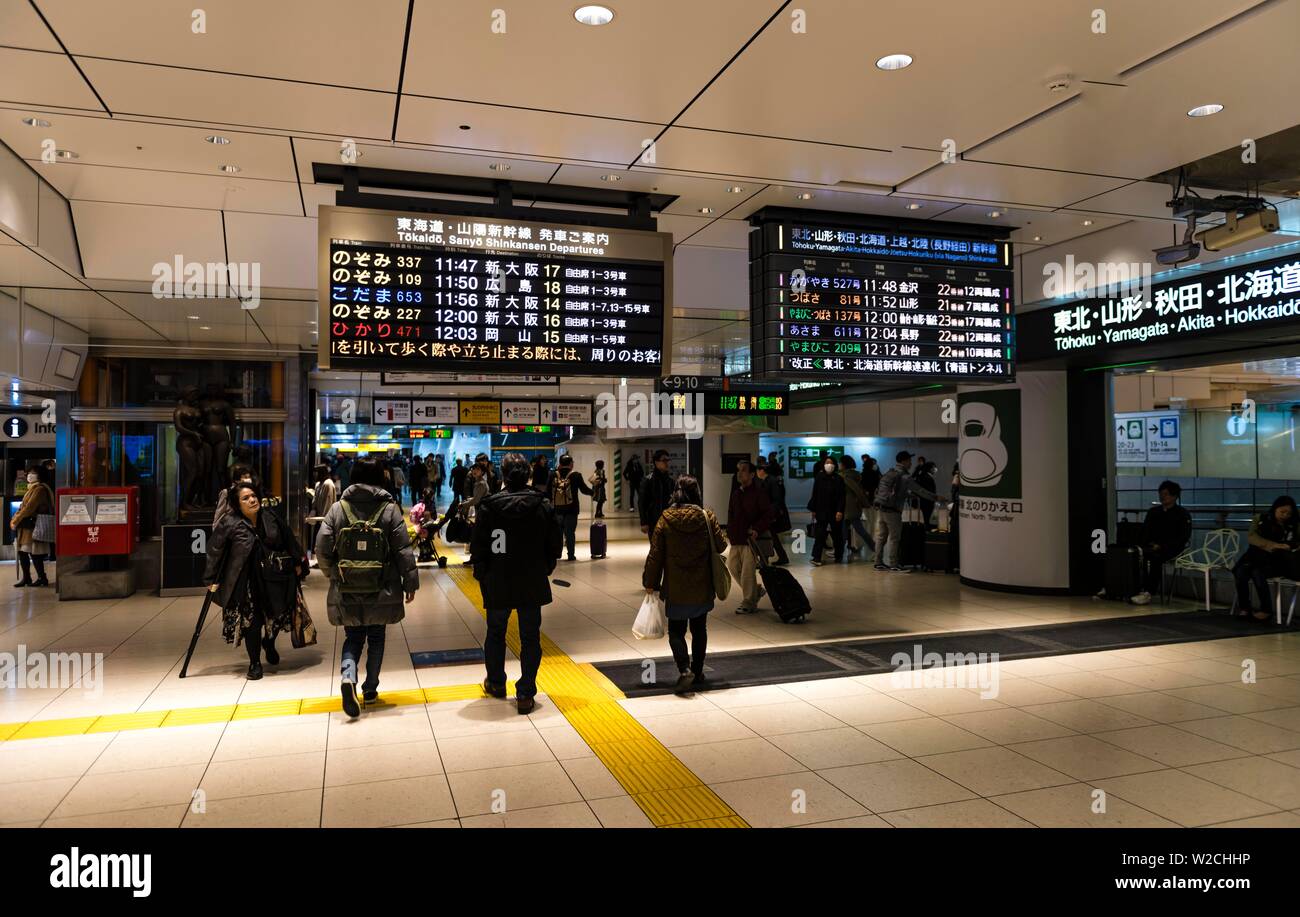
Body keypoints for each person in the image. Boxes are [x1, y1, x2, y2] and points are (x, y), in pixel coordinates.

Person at [314, 457, 418, 716]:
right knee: (377, 637)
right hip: (381, 585)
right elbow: (403, 550)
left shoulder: (338, 509)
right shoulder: (390, 509)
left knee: (353, 638)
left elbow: (322, 548)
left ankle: (348, 678)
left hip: (347, 586)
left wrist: (333, 575)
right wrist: (410, 582)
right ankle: (370, 688)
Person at [473, 453, 563, 714]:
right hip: (531, 579)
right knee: (530, 637)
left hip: (498, 579)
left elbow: (479, 547)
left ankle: (497, 683)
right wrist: (545, 567)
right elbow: (554, 545)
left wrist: (484, 573)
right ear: (529, 476)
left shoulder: (490, 506)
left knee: (496, 632)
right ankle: (525, 693)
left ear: (503, 476)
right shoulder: (542, 504)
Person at [204, 481, 306, 680]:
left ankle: (269, 642)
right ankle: (255, 663)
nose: (252, 500)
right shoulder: (229, 523)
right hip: (246, 581)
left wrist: (298, 562)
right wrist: (210, 577)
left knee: (277, 615)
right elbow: (214, 550)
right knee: (252, 622)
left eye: (253, 496)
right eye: (245, 498)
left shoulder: (270, 517)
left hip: (274, 578)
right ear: (237, 504)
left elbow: (289, 540)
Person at [643, 475, 728, 693]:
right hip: (702, 586)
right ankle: (698, 671)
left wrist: (650, 582)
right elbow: (720, 546)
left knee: (676, 632)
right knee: (699, 629)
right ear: (696, 493)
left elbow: (655, 555)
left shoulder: (666, 518)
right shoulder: (706, 516)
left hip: (676, 586)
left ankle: (684, 669)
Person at [872, 451, 948, 572]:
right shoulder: (905, 476)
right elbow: (920, 490)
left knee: (881, 537)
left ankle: (878, 562)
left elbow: (897, 492)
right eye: (909, 461)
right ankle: (894, 564)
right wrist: (935, 497)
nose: (911, 463)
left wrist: (908, 496)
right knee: (894, 538)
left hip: (882, 508)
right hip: (893, 511)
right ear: (904, 461)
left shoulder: (889, 472)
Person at [1233, 495, 1299, 622]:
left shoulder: (1293, 524)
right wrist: (1272, 544)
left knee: (1257, 573)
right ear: (1275, 509)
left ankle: (1266, 610)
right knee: (1241, 572)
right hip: (1256, 556)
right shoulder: (1262, 519)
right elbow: (1252, 537)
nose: (1285, 515)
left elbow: (1296, 542)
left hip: (1276, 560)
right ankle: (1245, 608)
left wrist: (1288, 546)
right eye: (1282, 512)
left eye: (1288, 513)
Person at [1131, 481, 1193, 605]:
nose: (1162, 497)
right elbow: (1145, 531)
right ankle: (1131, 588)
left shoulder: (1182, 514)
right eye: (1161, 494)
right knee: (1134, 554)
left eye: (1165, 494)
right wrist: (1144, 544)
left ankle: (1148, 592)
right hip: (1153, 545)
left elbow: (1183, 537)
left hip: (1172, 547)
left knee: (1156, 558)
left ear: (1174, 496)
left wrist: (1163, 545)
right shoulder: (1153, 512)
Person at [727, 461, 775, 614]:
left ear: (752, 474)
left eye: (743, 470)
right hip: (736, 538)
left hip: (750, 539)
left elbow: (768, 514)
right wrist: (729, 532)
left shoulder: (759, 493)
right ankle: (756, 590)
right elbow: (731, 514)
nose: (739, 473)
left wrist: (757, 529)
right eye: (738, 470)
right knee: (733, 567)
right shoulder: (736, 493)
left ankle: (748, 602)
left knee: (748, 571)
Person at [10, 464, 53, 587]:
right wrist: (15, 519)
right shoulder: (32, 488)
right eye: (29, 473)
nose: (29, 475)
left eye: (33, 473)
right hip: (27, 526)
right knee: (24, 552)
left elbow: (29, 508)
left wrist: (15, 520)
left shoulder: (39, 489)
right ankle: (28, 578)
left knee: (34, 553)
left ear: (40, 475)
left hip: (33, 525)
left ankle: (41, 578)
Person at [549, 453, 594, 561]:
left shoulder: (553, 475)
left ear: (560, 463)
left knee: (558, 533)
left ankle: (557, 554)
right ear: (570, 464)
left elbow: (547, 492)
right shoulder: (576, 475)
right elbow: (584, 490)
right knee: (570, 533)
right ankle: (571, 555)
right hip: (572, 509)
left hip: (557, 509)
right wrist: (593, 492)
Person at [808, 455, 846, 566]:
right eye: (826, 463)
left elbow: (841, 497)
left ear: (835, 465)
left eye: (831, 463)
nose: (829, 465)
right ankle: (816, 557)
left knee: (837, 535)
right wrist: (813, 509)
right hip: (821, 511)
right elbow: (815, 494)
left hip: (835, 511)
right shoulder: (819, 477)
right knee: (820, 535)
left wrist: (840, 511)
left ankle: (839, 556)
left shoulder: (839, 479)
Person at [839, 455, 875, 559]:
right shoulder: (854, 475)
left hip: (849, 507)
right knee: (847, 530)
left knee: (855, 530)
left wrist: (866, 504)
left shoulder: (847, 476)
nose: (839, 465)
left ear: (844, 464)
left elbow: (858, 491)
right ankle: (839, 551)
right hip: (852, 507)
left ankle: (875, 549)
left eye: (840, 463)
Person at [756, 462, 791, 565]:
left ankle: (766, 559)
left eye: (758, 471)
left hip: (771, 515)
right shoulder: (766, 481)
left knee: (769, 536)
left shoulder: (771, 481)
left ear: (762, 471)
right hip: (769, 514)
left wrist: (771, 514)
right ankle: (781, 557)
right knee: (772, 537)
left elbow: (776, 500)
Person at [639, 450, 675, 541]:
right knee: (655, 547)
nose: (667, 463)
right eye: (664, 460)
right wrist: (644, 522)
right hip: (653, 520)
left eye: (668, 460)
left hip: (669, 520)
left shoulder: (671, 481)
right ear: (656, 462)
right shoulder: (648, 480)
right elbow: (642, 502)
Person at [308, 463, 337, 566]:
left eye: (316, 472)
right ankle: (317, 560)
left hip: (324, 518)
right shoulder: (318, 484)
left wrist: (324, 519)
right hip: (318, 517)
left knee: (323, 540)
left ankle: (322, 561)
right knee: (316, 539)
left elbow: (328, 503)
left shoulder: (328, 484)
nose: (314, 475)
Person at [914, 461, 938, 529]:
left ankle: (927, 524)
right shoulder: (926, 477)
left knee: (927, 513)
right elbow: (928, 490)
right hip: (926, 500)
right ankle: (927, 526)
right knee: (927, 512)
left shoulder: (924, 475)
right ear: (930, 468)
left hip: (926, 499)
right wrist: (934, 497)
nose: (935, 469)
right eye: (934, 467)